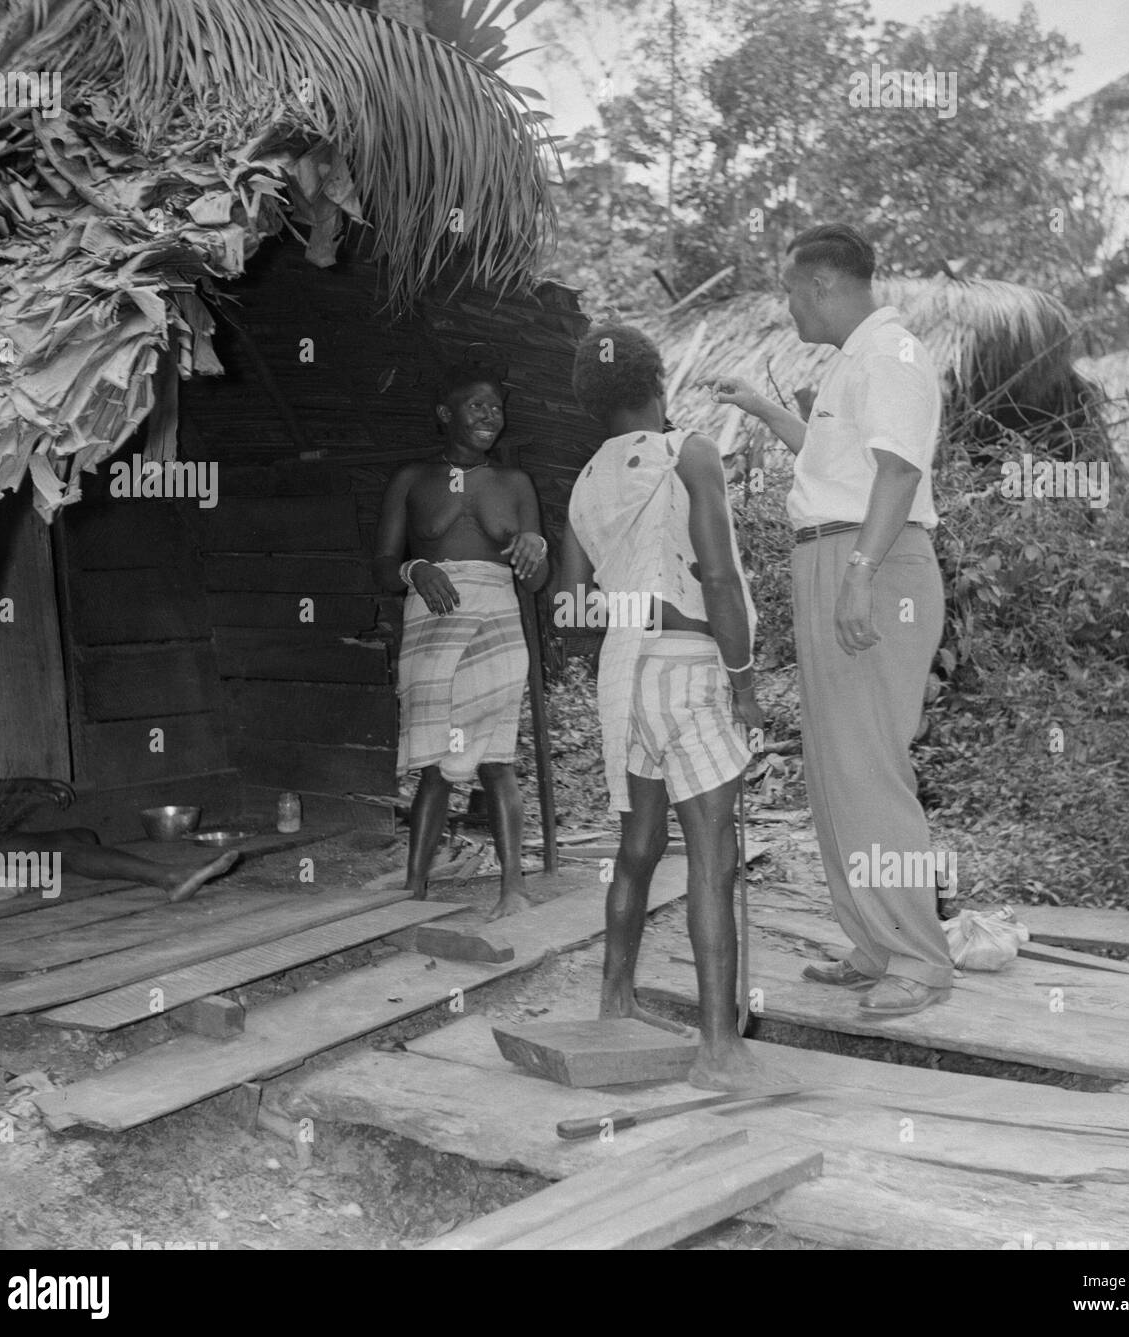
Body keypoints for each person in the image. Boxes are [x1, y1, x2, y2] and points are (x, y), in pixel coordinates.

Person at [705, 222, 953, 1018]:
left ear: (820, 285)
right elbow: (832, 457)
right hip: (838, 556)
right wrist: (764, 410)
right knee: (837, 769)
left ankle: (918, 956)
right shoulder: (857, 362)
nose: (785, 306)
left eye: (787, 289)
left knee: (872, 767)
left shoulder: (893, 356)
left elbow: (899, 470)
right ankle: (875, 940)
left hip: (873, 565)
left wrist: (859, 573)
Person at [560, 325, 766, 1091]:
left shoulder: (583, 482)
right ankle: (718, 1048)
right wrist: (743, 682)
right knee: (713, 855)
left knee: (638, 844)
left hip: (624, 668)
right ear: (658, 386)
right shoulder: (691, 454)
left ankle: (615, 999)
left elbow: (573, 606)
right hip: (687, 663)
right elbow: (717, 576)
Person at [373, 363, 549, 921]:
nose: (490, 417)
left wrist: (536, 549)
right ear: (445, 414)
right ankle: (416, 887)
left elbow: (537, 582)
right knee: (434, 764)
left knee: (496, 758)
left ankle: (513, 888)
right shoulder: (412, 479)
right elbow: (381, 564)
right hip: (432, 624)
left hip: (496, 623)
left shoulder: (515, 484)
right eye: (476, 406)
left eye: (496, 408)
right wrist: (415, 569)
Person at [0, 744, 237, 905]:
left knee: (84, 837)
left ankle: (44, 867)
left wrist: (26, 784)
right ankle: (169, 878)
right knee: (64, 852)